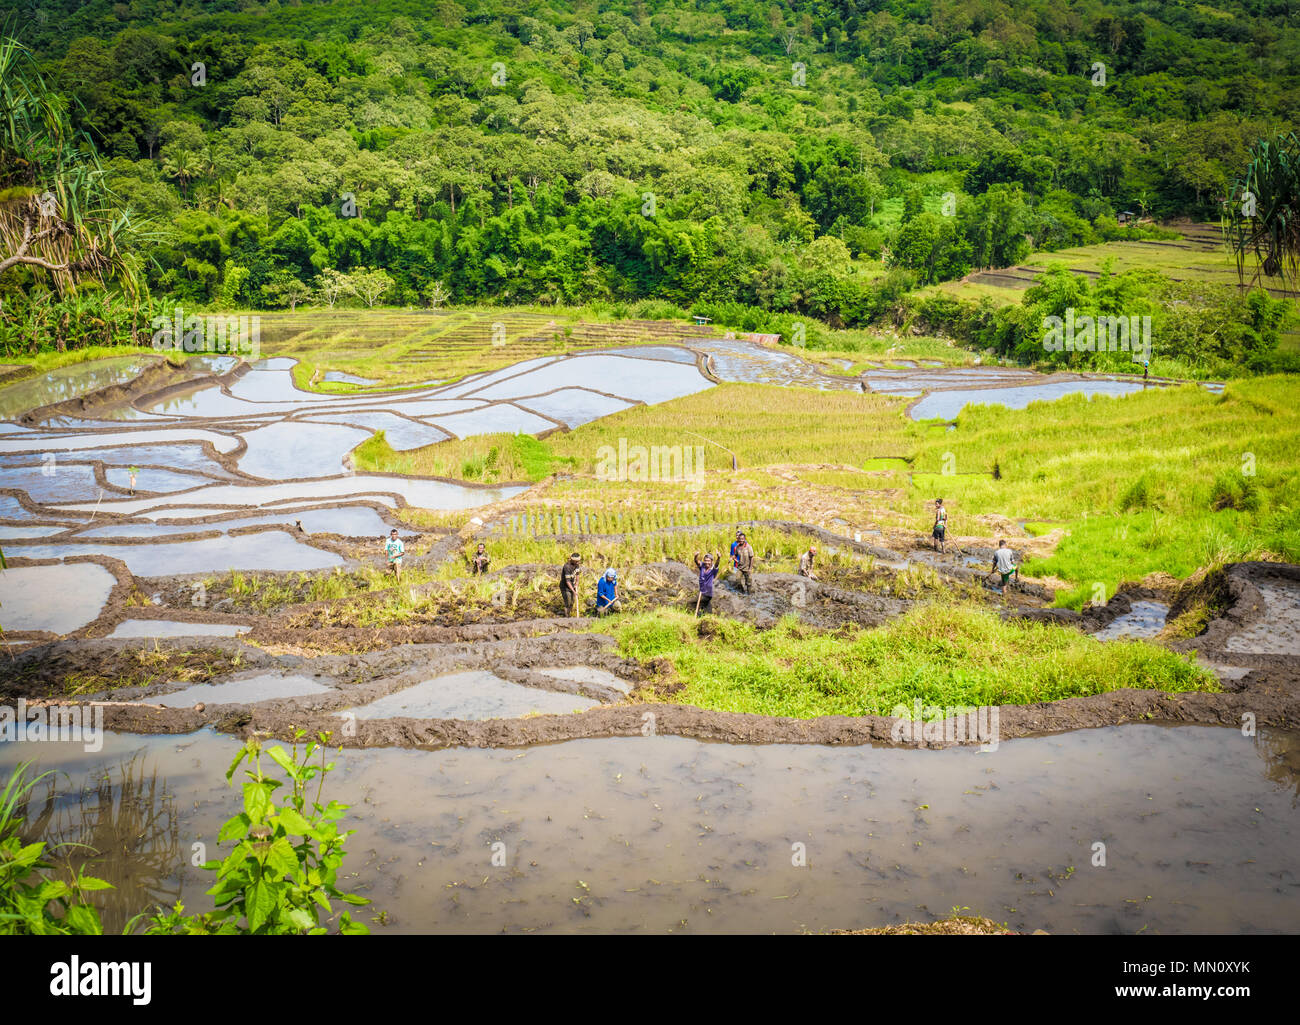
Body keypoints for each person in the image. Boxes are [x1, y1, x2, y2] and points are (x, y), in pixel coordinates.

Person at [559, 552, 582, 617]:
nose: (578, 563)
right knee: (568, 603)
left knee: (572, 602)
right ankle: (567, 617)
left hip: (572, 585)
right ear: (572, 560)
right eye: (576, 561)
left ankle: (569, 614)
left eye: (578, 561)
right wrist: (573, 591)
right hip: (565, 587)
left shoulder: (577, 564)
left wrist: (577, 582)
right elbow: (568, 581)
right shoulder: (567, 567)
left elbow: (577, 574)